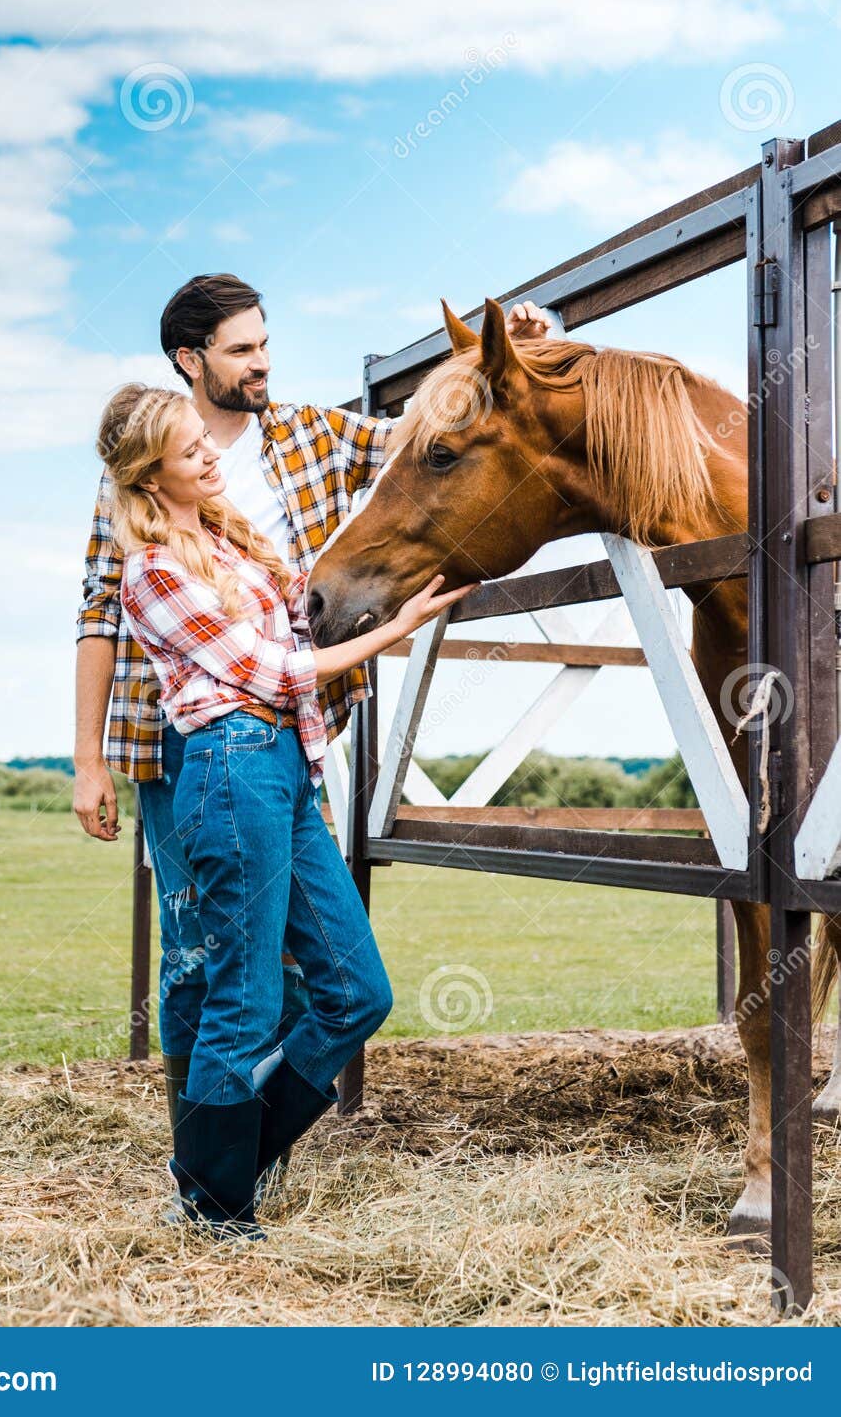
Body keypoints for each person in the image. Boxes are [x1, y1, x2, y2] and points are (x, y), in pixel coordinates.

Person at [73, 275, 550, 1148]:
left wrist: (493, 352)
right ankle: (208, 1154)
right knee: (194, 959)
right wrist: (88, 762)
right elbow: (98, 614)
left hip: (292, 729)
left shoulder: (308, 434)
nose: (263, 363)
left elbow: (426, 439)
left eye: (265, 342)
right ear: (191, 360)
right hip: (175, 739)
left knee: (297, 957)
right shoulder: (139, 475)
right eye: (242, 349)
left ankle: (243, 1152)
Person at [98, 382, 474, 1236]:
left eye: (206, 440)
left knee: (356, 993)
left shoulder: (233, 542)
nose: (211, 454)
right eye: (189, 450)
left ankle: (211, 1171)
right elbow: (272, 673)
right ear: (152, 478)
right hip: (229, 772)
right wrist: (396, 628)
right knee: (245, 996)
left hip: (285, 768)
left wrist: (401, 579)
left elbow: (306, 620)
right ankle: (219, 1207)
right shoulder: (151, 574)